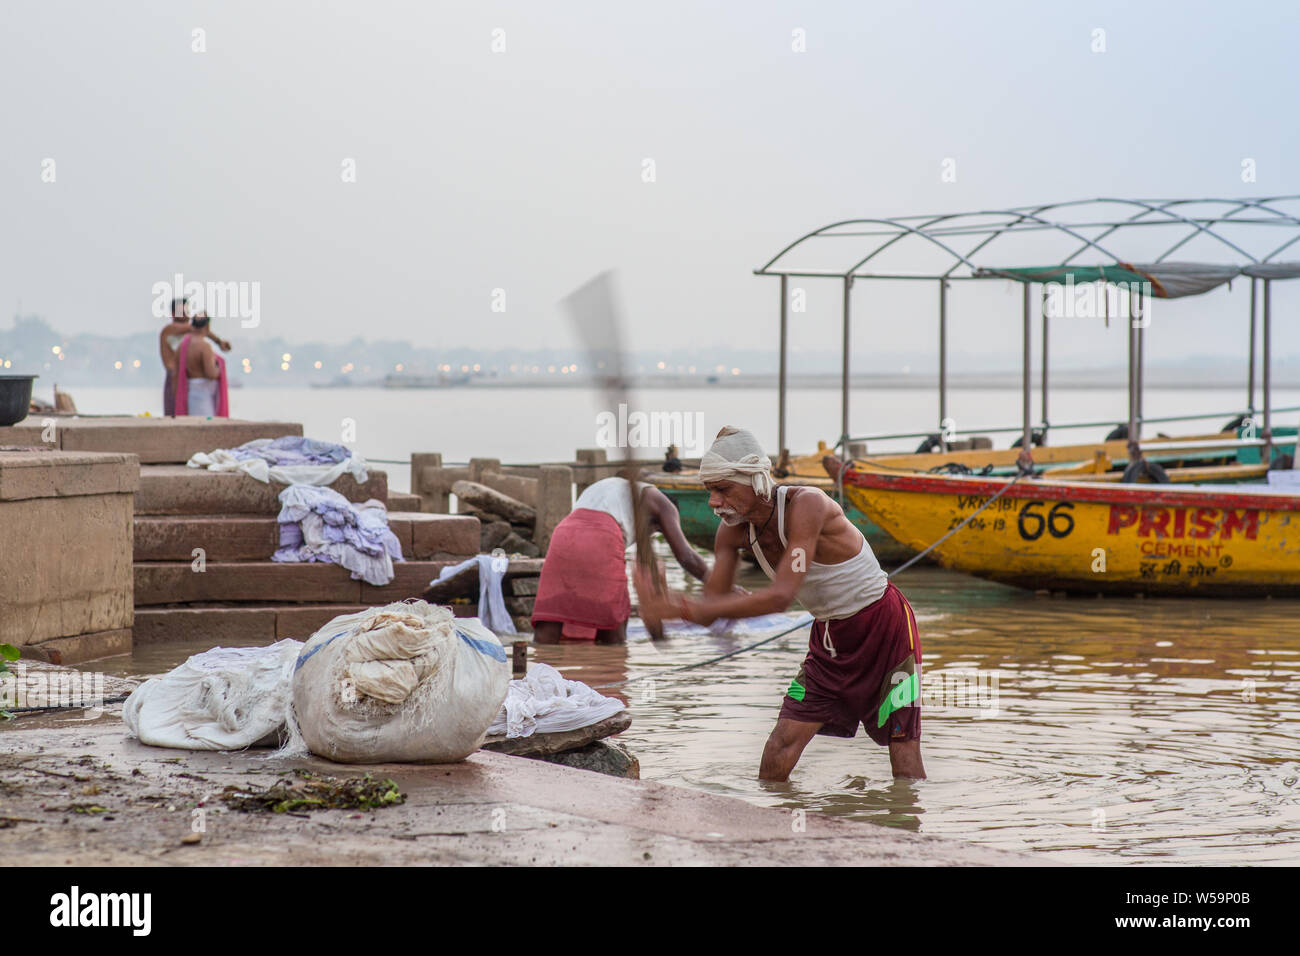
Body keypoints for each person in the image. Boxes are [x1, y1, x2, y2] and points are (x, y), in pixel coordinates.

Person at [634, 425, 925, 782]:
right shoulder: (732, 532)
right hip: (829, 644)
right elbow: (714, 608)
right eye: (710, 491)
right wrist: (660, 610)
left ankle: (911, 832)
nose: (714, 502)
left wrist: (683, 609)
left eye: (723, 489)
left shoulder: (807, 505)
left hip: (887, 631)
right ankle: (769, 826)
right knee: (779, 747)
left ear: (756, 481)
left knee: (904, 751)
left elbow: (781, 596)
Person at [531, 475, 708, 643]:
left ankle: (536, 670)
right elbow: (687, 557)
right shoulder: (665, 506)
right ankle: (613, 669)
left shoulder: (617, 491)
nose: (652, 533)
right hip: (602, 536)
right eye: (657, 530)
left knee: (552, 615)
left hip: (563, 534)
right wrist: (725, 587)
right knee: (613, 623)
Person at [158, 298, 231, 417]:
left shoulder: (191, 337)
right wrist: (217, 340)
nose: (186, 314)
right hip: (174, 378)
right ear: (172, 314)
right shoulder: (170, 330)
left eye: (187, 311)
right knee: (174, 414)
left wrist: (218, 342)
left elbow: (198, 329)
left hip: (189, 381)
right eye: (181, 311)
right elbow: (196, 328)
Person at [173, 313, 230, 417]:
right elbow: (211, 374)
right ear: (207, 326)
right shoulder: (204, 346)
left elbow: (175, 373)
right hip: (203, 396)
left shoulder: (182, 346)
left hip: (190, 393)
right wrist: (219, 366)